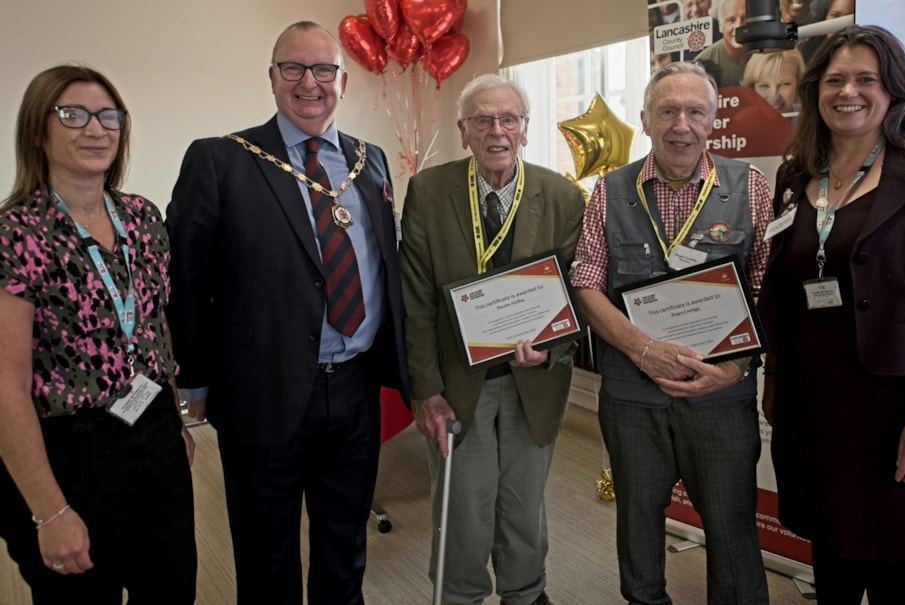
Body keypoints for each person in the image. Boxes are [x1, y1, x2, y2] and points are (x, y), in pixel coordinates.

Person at [165, 21, 409, 605]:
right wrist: (193, 378)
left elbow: (384, 267)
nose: (309, 82)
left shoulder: (368, 161)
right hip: (262, 389)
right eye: (293, 69)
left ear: (343, 82)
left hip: (354, 390)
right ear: (272, 79)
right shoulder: (221, 159)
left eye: (323, 69)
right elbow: (187, 279)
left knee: (344, 547)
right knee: (266, 554)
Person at [756, 25, 905, 604]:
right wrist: (773, 379)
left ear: (895, 90)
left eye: (866, 79)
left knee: (894, 557)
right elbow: (782, 285)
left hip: (894, 404)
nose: (848, 92)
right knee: (830, 549)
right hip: (811, 401)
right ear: (816, 90)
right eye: (834, 79)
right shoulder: (795, 176)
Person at [571, 61, 772, 604]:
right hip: (633, 397)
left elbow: (764, 289)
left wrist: (734, 368)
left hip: (721, 396)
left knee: (732, 531)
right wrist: (645, 349)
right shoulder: (608, 191)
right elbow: (587, 283)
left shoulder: (749, 186)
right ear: (644, 119)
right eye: (667, 110)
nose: (681, 124)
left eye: (695, 112)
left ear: (712, 121)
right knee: (637, 525)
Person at [0, 65, 196, 603]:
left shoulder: (143, 217)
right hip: (70, 449)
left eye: (109, 115)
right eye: (73, 114)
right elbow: (5, 385)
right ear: (38, 130)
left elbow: (155, 329)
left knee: (173, 588)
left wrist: (173, 418)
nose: (96, 129)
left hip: (153, 429)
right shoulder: (18, 232)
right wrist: (50, 510)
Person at [400, 74, 586, 605]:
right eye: (483, 119)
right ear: (463, 130)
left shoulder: (560, 195)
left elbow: (577, 291)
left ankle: (526, 594)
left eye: (509, 119)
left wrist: (552, 347)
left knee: (523, 505)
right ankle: (458, 595)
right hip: (457, 384)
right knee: (463, 505)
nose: (496, 130)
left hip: (534, 380)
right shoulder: (430, 191)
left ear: (526, 129)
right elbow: (416, 300)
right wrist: (426, 390)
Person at [694, 0, 751, 87]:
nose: (739, 26)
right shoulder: (703, 63)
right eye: (731, 20)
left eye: (745, 19)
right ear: (720, 25)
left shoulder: (767, 53)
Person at [741, 49, 806, 118]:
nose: (774, 95)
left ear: (798, 84)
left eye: (784, 84)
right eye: (764, 86)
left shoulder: (810, 118)